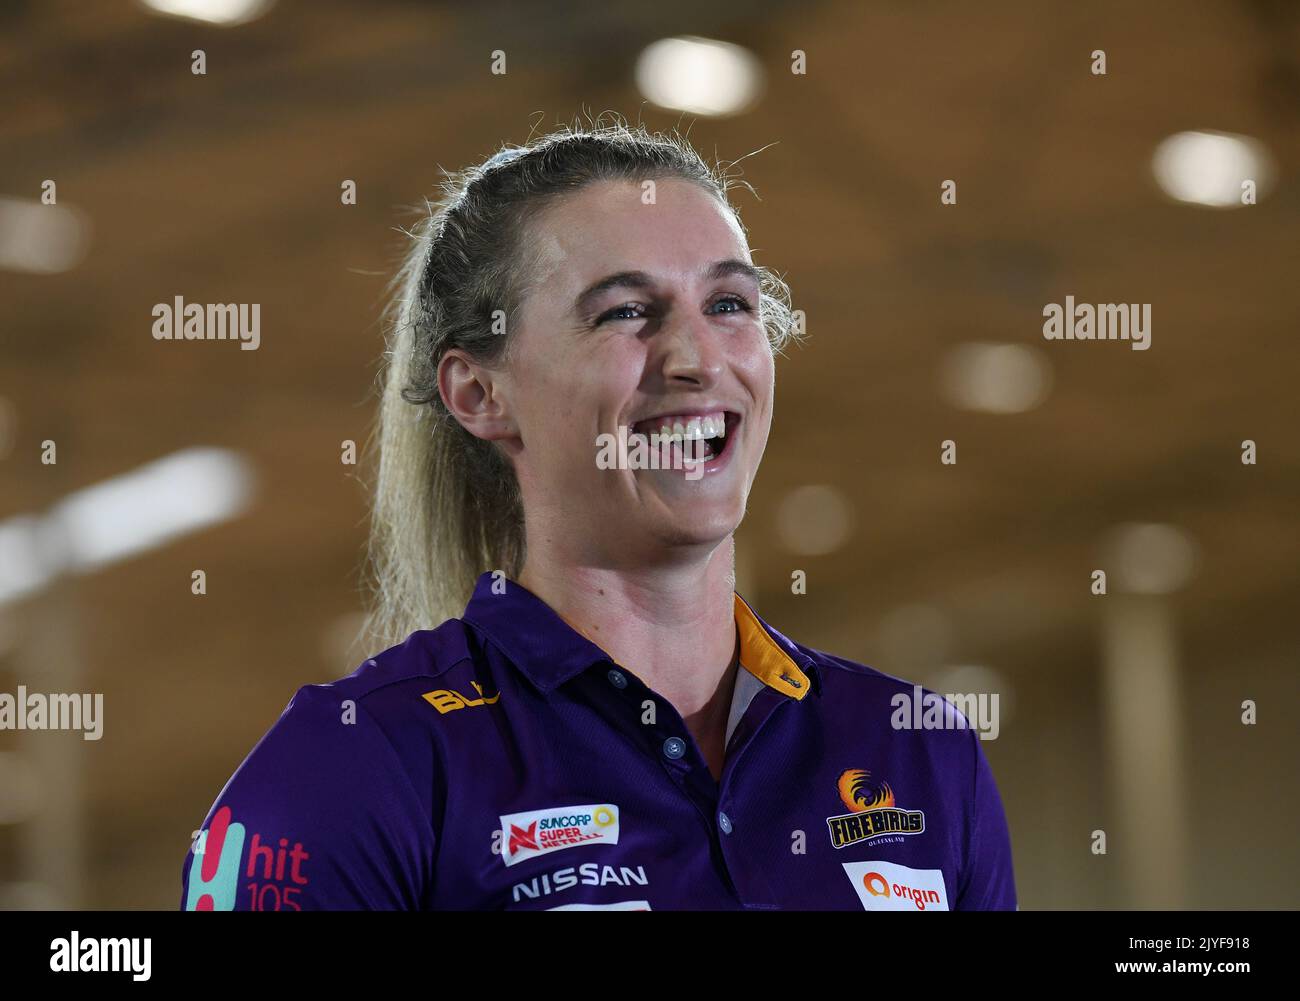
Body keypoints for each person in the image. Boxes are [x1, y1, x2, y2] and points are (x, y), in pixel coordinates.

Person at [180, 118, 1017, 911]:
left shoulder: (917, 752)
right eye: (625, 312)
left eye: (729, 304)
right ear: (480, 392)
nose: (697, 358)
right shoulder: (359, 762)